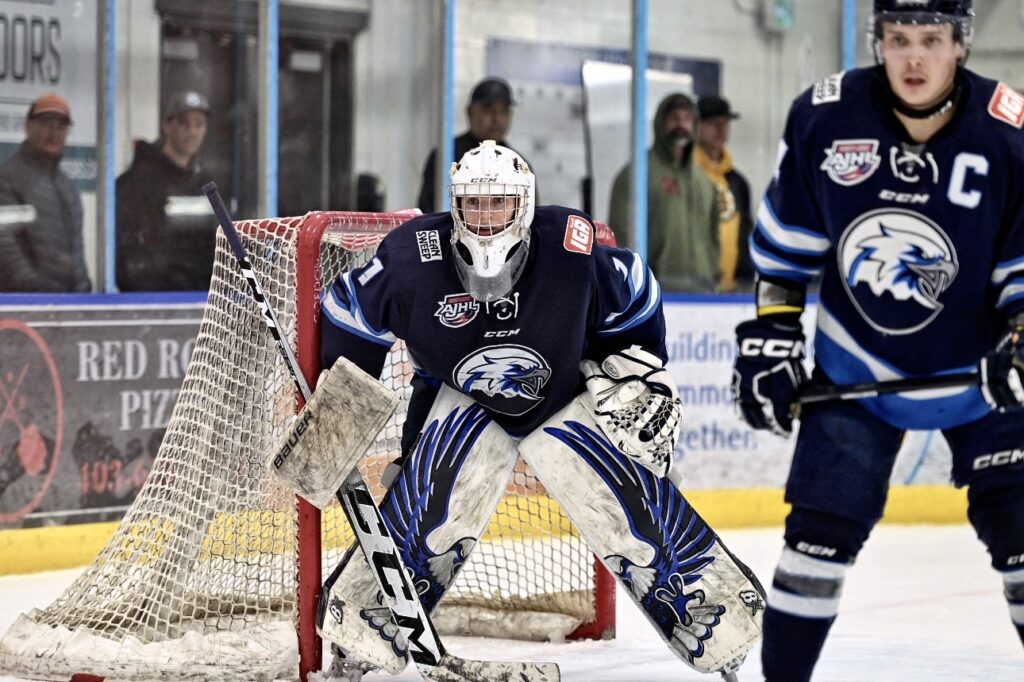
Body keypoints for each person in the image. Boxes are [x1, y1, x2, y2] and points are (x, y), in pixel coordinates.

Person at [312, 140, 764, 680]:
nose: (483, 218)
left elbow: (637, 289)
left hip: (563, 395)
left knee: (624, 508)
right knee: (436, 510)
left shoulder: (569, 249)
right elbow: (346, 309)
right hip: (459, 397)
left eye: (497, 203)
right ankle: (362, 636)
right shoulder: (414, 256)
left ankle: (714, 624)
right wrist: (341, 399)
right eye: (472, 205)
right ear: (454, 206)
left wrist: (639, 370)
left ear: (523, 206)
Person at [731, 2, 1024, 680]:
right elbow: (784, 260)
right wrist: (772, 337)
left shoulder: (1010, 131)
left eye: (931, 40)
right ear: (878, 43)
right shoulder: (826, 119)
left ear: (962, 45)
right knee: (815, 542)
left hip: (984, 376)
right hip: (853, 365)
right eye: (898, 40)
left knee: (1021, 540)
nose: (913, 59)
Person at [608, 92, 720, 293]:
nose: (681, 125)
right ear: (661, 122)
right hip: (655, 288)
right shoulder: (637, 174)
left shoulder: (704, 181)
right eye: (674, 118)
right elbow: (621, 233)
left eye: (687, 119)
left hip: (702, 288)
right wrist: (634, 283)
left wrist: (711, 271)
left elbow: (713, 236)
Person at [115, 90, 216, 291]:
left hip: (200, 301)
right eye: (184, 123)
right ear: (167, 126)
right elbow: (128, 254)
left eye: (199, 124)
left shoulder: (207, 185)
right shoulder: (137, 183)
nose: (192, 131)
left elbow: (217, 245)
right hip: (153, 301)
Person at [0, 94, 90, 292]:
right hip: (23, 307)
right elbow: (5, 245)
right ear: (28, 127)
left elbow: (78, 250)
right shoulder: (7, 178)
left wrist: (83, 290)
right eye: (45, 124)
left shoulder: (68, 186)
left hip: (68, 305)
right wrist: (36, 290)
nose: (53, 132)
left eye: (60, 126)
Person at [416, 77, 528, 213]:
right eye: (489, 110)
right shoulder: (447, 155)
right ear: (470, 112)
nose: (497, 118)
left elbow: (529, 220)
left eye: (503, 111)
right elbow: (427, 215)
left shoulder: (517, 164)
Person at [694, 95, 754, 293]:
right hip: (692, 287)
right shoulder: (686, 177)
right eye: (713, 123)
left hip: (733, 289)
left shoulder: (738, 182)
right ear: (696, 126)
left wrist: (746, 277)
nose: (721, 130)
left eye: (725, 123)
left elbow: (744, 234)